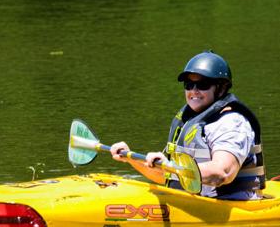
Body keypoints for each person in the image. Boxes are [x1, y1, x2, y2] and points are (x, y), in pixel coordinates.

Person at [110, 51, 265, 200]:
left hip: (231, 205)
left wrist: (170, 167)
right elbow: (166, 176)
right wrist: (130, 157)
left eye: (202, 84)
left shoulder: (231, 122)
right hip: (195, 201)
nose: (194, 91)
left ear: (221, 87)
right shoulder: (187, 119)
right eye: (189, 84)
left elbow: (222, 173)